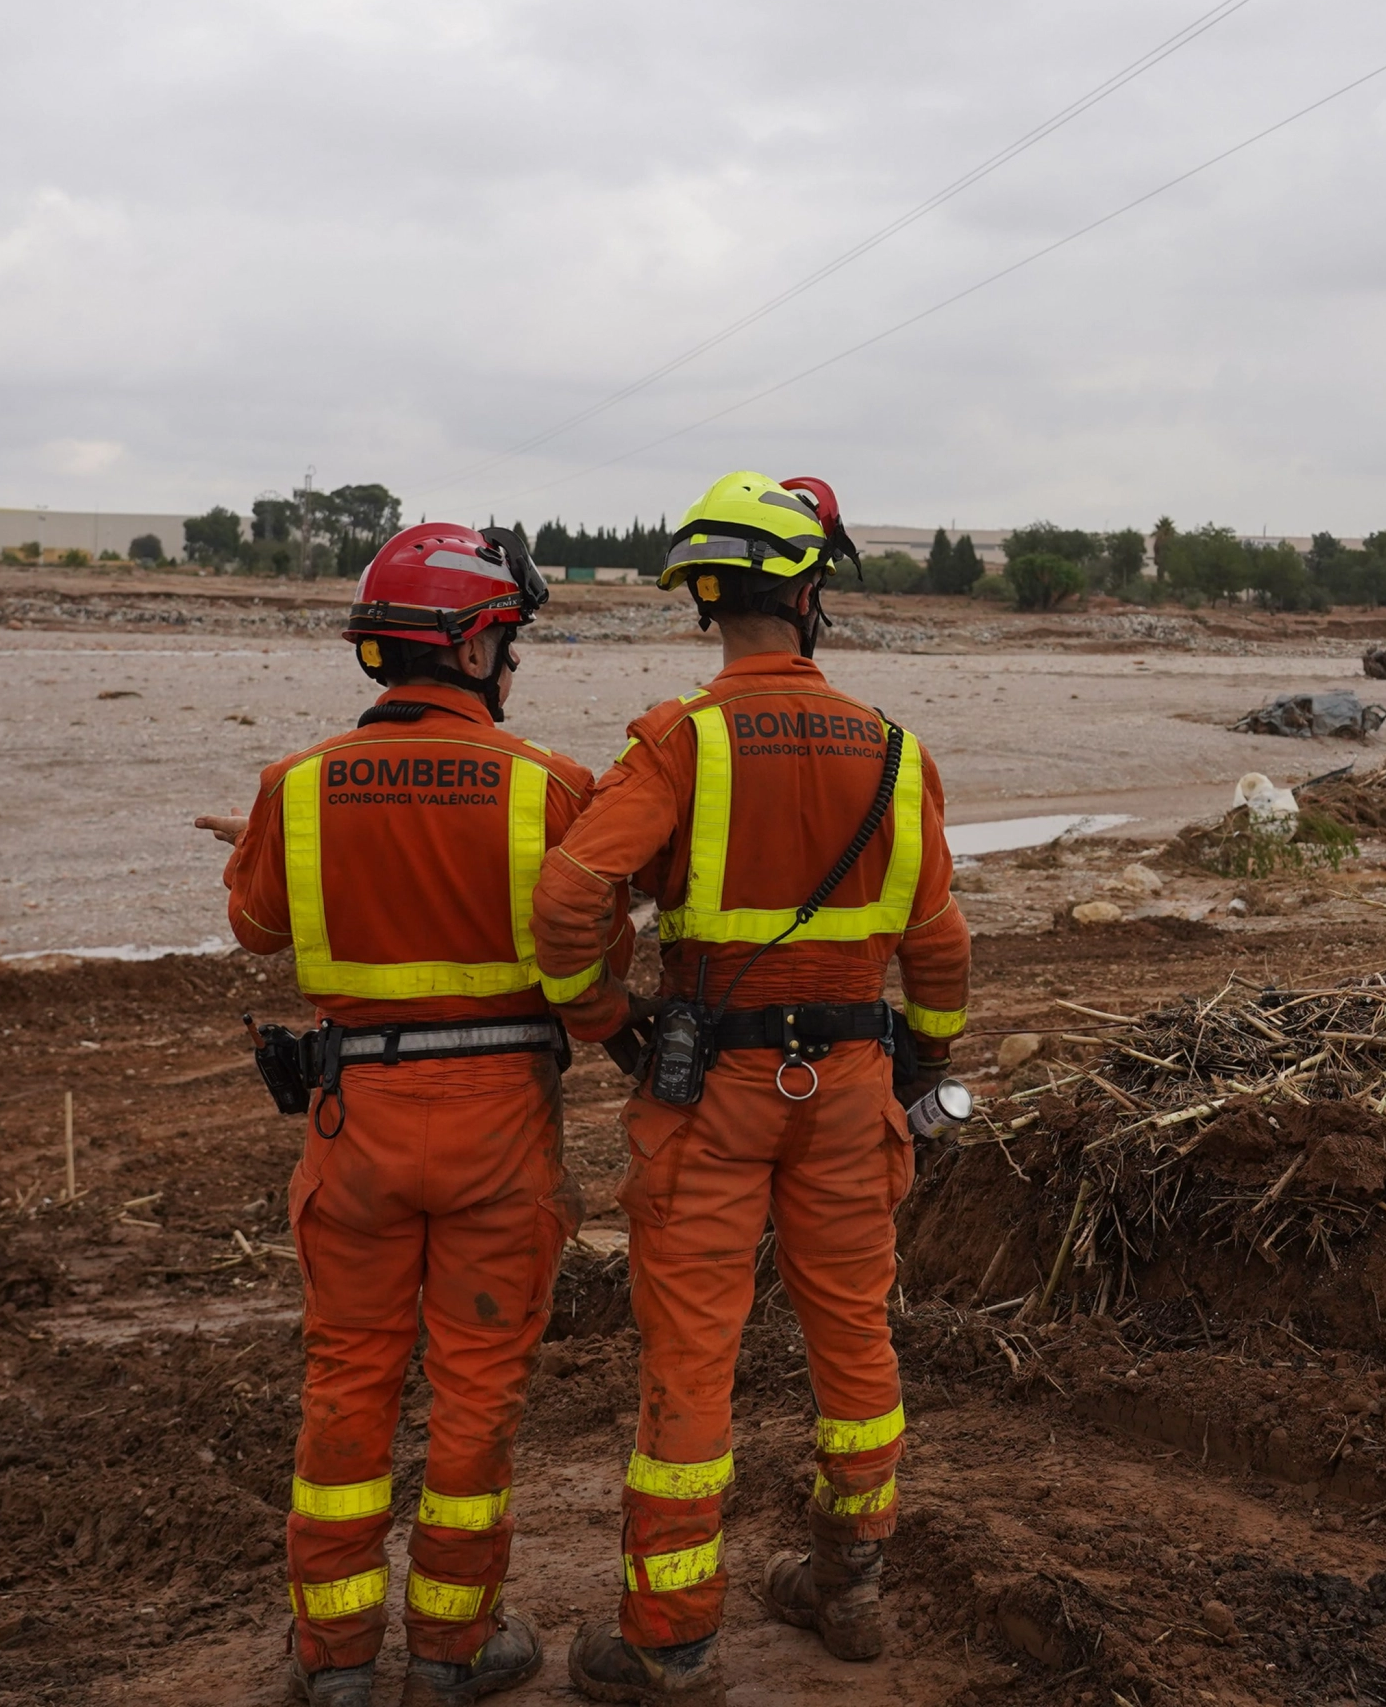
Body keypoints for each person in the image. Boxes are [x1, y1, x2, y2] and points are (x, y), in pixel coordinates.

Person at [529, 471, 971, 1703]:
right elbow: (939, 949)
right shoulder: (895, 750)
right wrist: (923, 1068)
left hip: (711, 1085)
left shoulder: (679, 740)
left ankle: (669, 1643)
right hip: (851, 1087)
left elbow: (569, 899)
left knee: (691, 1354)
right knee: (855, 1338)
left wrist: (610, 1020)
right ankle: (850, 1584)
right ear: (811, 592)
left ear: (704, 606)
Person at [196, 522, 627, 1707]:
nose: (515, 666)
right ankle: (453, 1647)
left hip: (356, 1125)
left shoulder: (296, 783)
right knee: (478, 1386)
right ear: (480, 641)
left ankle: (331, 1656)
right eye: (510, 644)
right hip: (499, 1123)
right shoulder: (550, 785)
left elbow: (256, 928)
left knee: (348, 1377)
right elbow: (590, 949)